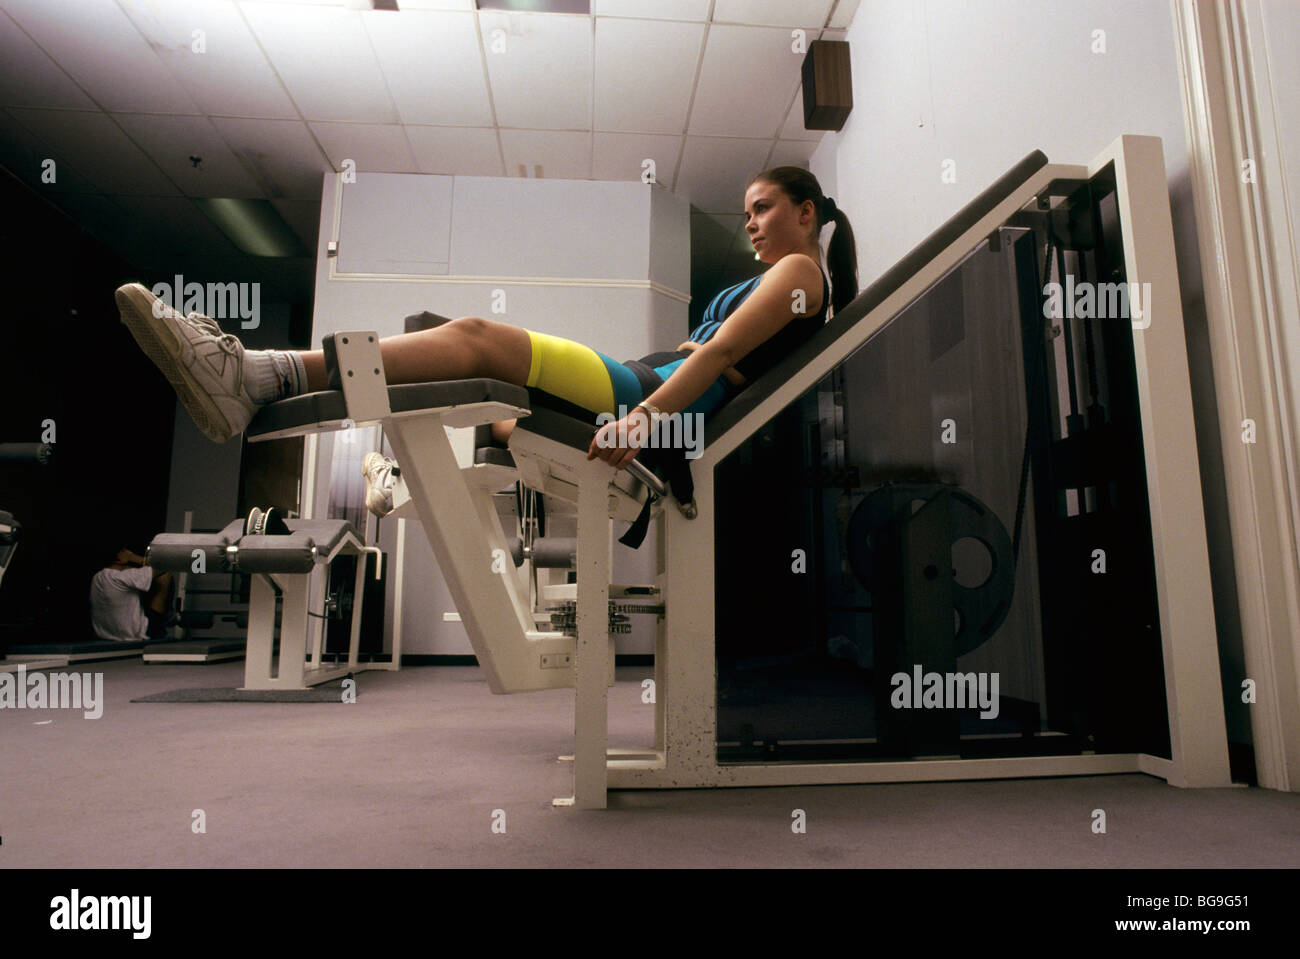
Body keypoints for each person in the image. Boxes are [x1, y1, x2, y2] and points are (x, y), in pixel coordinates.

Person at [114, 167, 857, 511]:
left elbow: (722, 356)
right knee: (492, 404)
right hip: (647, 387)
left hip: (646, 395)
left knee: (470, 339)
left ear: (805, 210)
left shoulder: (799, 270)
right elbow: (718, 353)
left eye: (763, 207)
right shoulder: (787, 273)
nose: (751, 222)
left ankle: (259, 373)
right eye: (748, 210)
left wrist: (645, 417)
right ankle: (403, 487)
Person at [89, 548, 174, 642]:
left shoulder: (97, 577)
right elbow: (164, 567)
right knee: (164, 576)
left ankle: (168, 616)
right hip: (138, 634)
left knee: (145, 580)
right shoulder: (122, 576)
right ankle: (168, 617)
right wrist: (133, 557)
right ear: (119, 559)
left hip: (107, 635)